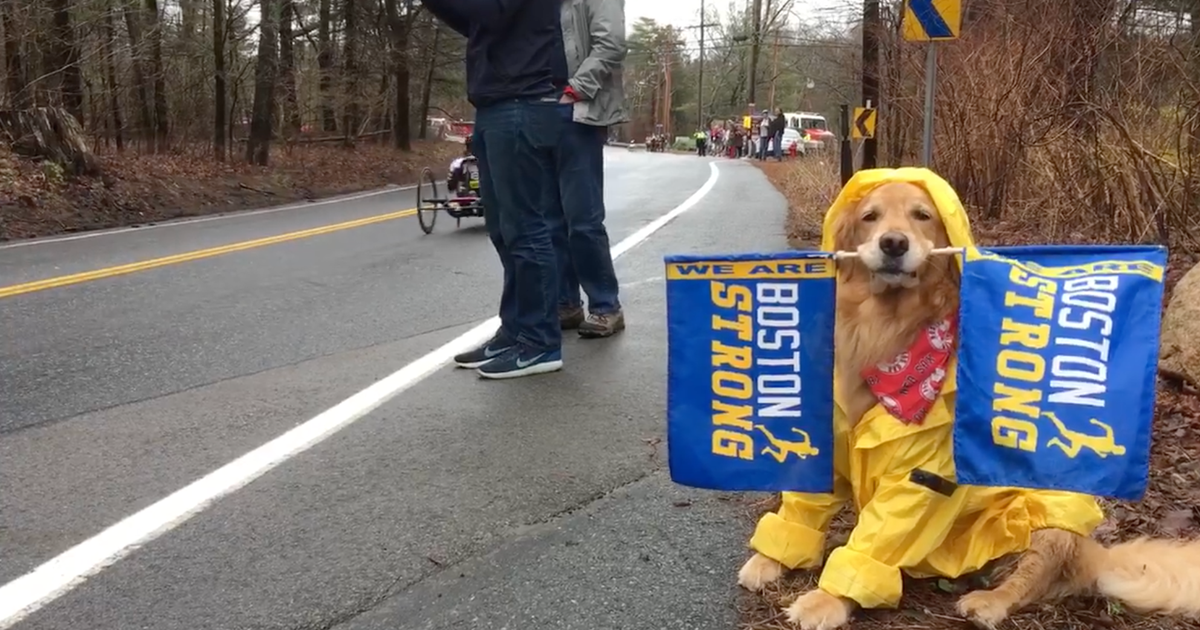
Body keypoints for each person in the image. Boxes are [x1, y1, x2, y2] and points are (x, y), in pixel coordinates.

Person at [425, 0, 567, 379]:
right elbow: (472, 22)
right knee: (504, 230)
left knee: (526, 229)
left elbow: (485, 12)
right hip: (497, 103)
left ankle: (541, 342)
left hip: (521, 102)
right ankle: (517, 331)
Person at [549, 0, 628, 339]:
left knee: (583, 218)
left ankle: (606, 306)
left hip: (576, 109)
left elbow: (611, 42)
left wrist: (577, 89)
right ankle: (565, 303)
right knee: (550, 218)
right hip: (538, 107)